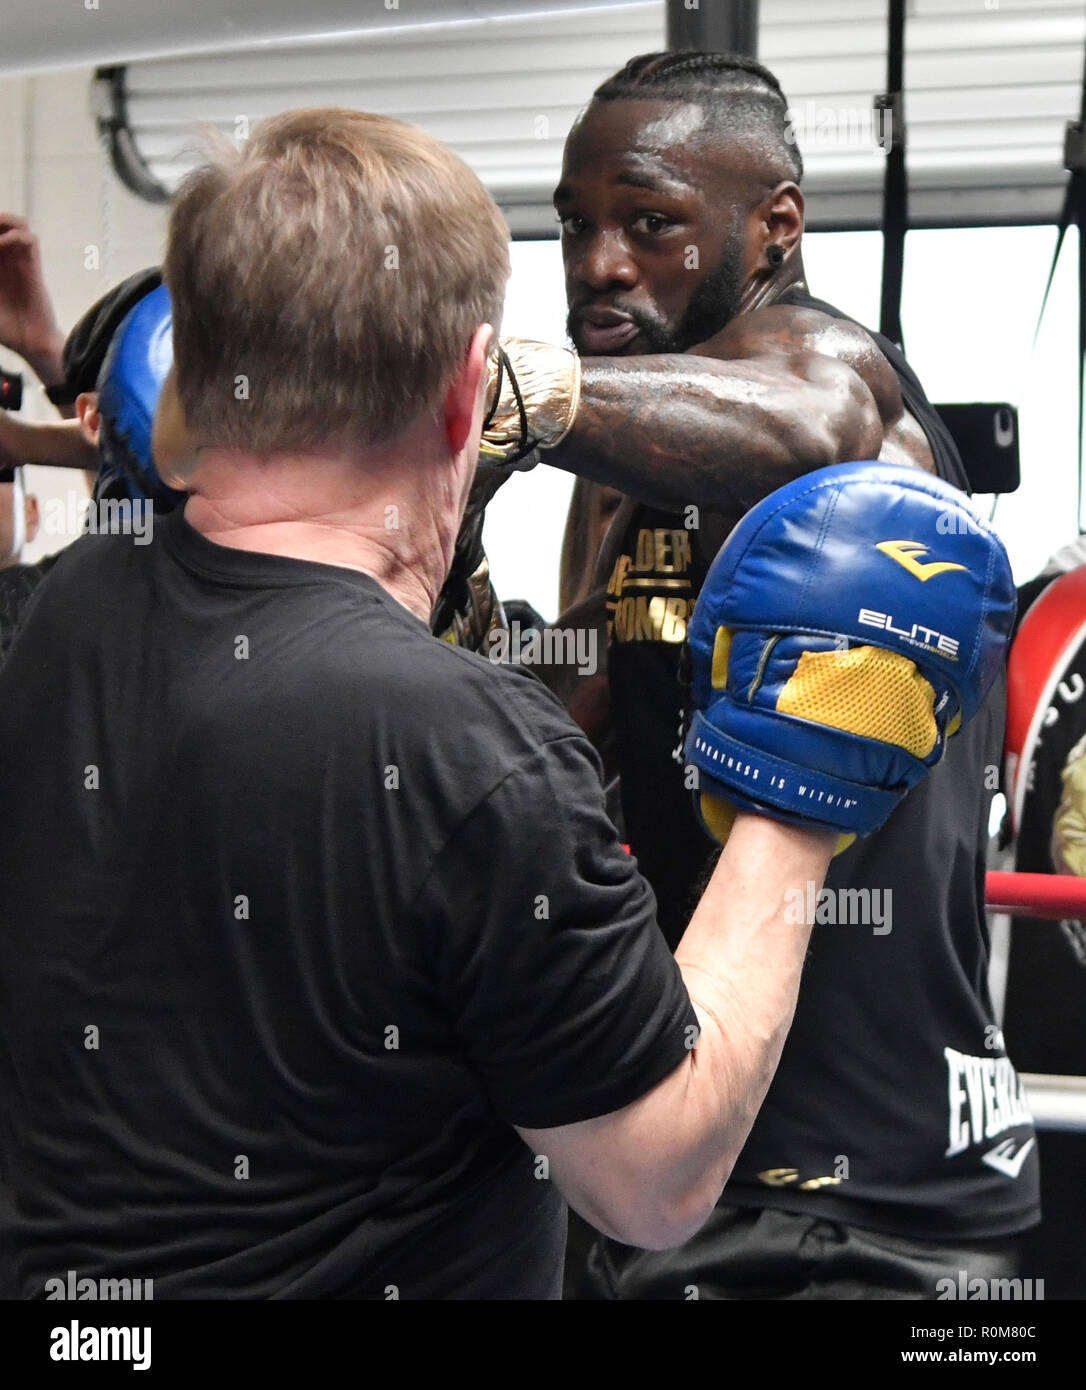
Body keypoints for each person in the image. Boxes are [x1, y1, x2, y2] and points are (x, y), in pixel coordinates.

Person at [0, 104, 1006, 1301]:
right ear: (476, 386)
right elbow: (652, 1177)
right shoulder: (467, 752)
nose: (604, 262)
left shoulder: (47, 618)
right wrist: (800, 792)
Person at [482, 50, 1040, 1297]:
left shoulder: (848, 394)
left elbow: (809, 423)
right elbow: (587, 701)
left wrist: (523, 397)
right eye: (577, 227)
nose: (599, 262)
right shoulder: (649, 483)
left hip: (880, 1207)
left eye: (650, 223)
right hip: (692, 1169)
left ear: (776, 225)